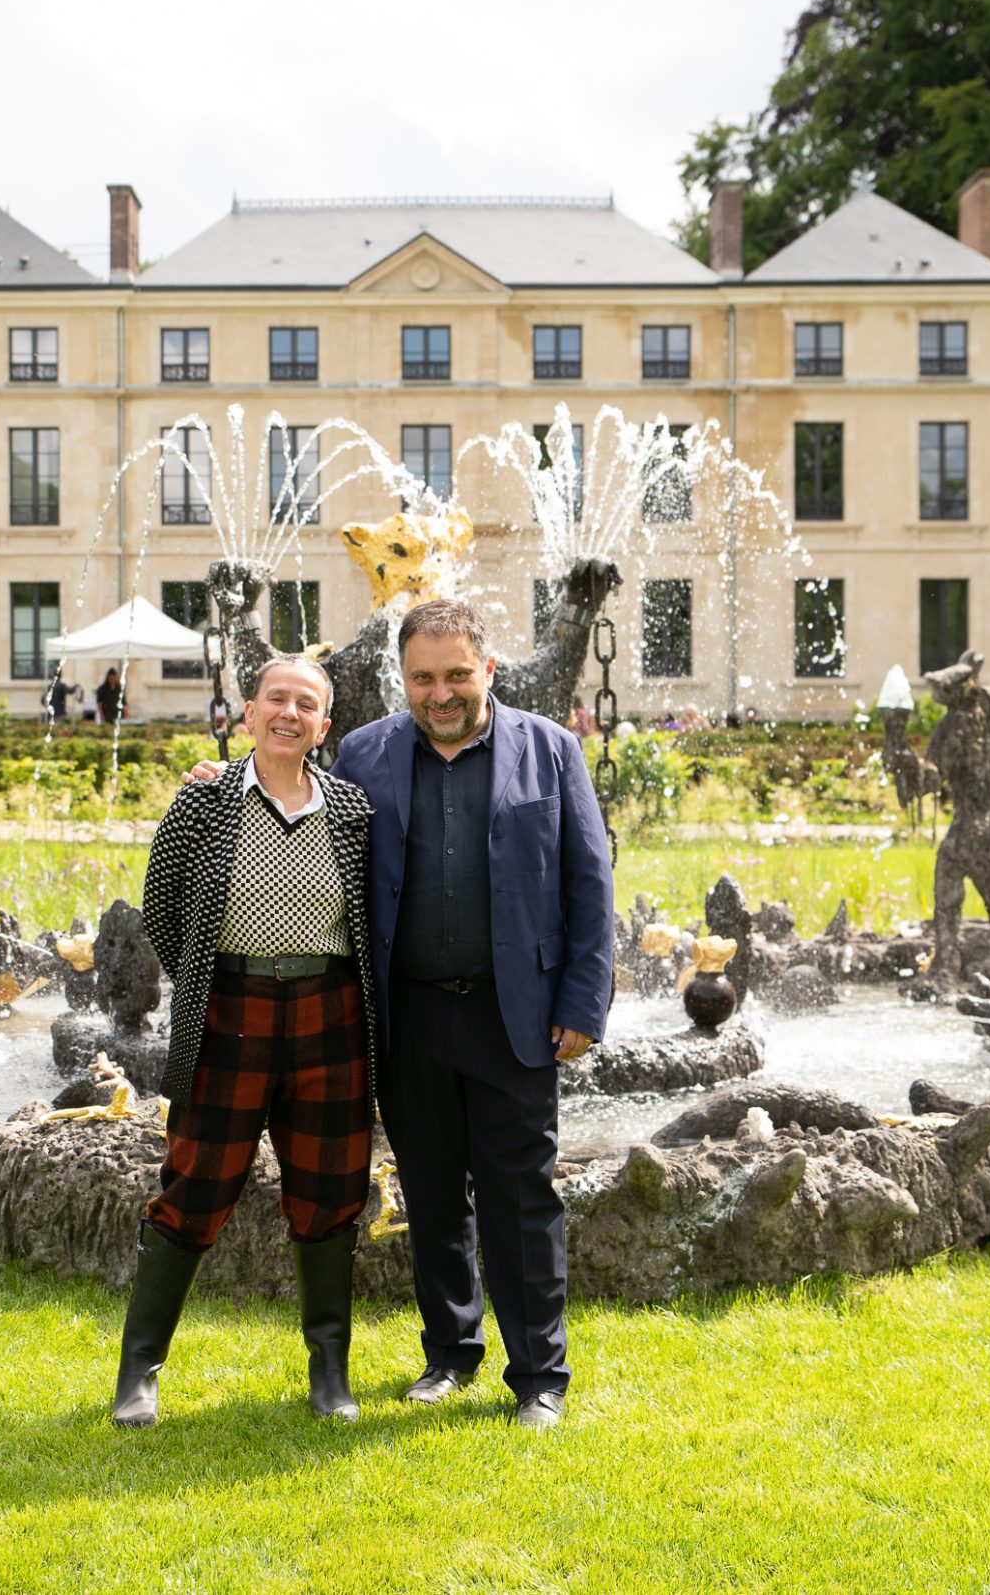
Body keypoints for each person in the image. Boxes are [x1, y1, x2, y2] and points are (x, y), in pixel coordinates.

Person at [200, 598, 614, 1427]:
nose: (441, 692)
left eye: (457, 673)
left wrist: (582, 1004)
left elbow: (589, 882)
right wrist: (222, 787)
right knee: (429, 1193)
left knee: (521, 1198)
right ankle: (450, 1353)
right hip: (406, 1016)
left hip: (517, 1015)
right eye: (423, 677)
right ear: (404, 678)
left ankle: (539, 1376)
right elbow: (296, 818)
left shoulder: (551, 751)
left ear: (487, 669)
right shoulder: (364, 753)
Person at [115, 657, 378, 1428]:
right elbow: (161, 908)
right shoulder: (203, 801)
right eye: (276, 699)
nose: (289, 713)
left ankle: (330, 1374)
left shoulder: (353, 811)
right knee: (195, 1186)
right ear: (249, 711)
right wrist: (210, 977)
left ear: (325, 725)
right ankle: (139, 1374)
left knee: (331, 1194)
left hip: (330, 1017)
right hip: (229, 1012)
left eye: (307, 703)